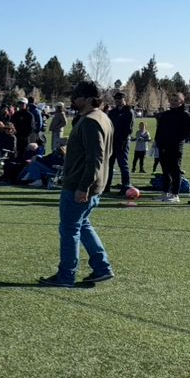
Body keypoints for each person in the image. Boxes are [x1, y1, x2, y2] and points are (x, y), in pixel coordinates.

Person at [38, 81, 114, 287]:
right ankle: (101, 267)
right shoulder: (102, 118)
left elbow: (95, 158)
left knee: (70, 229)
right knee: (83, 225)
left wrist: (83, 187)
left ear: (90, 98)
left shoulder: (90, 121)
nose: (73, 100)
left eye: (77, 96)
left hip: (80, 185)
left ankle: (66, 275)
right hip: (92, 184)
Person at [153, 92, 190, 204]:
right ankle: (165, 193)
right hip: (163, 146)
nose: (174, 102)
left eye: (176, 100)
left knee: (175, 171)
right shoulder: (165, 114)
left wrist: (179, 139)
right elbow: (159, 129)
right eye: (172, 100)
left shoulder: (185, 115)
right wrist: (157, 141)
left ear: (181, 102)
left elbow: (189, 130)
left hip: (175, 147)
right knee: (165, 171)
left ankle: (175, 195)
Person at [105, 91, 134, 194]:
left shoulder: (128, 111)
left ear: (124, 99)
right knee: (109, 164)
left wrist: (123, 140)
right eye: (116, 99)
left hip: (123, 142)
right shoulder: (113, 112)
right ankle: (106, 186)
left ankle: (125, 186)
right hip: (112, 141)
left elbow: (128, 129)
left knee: (123, 164)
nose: (117, 101)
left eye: (119, 99)